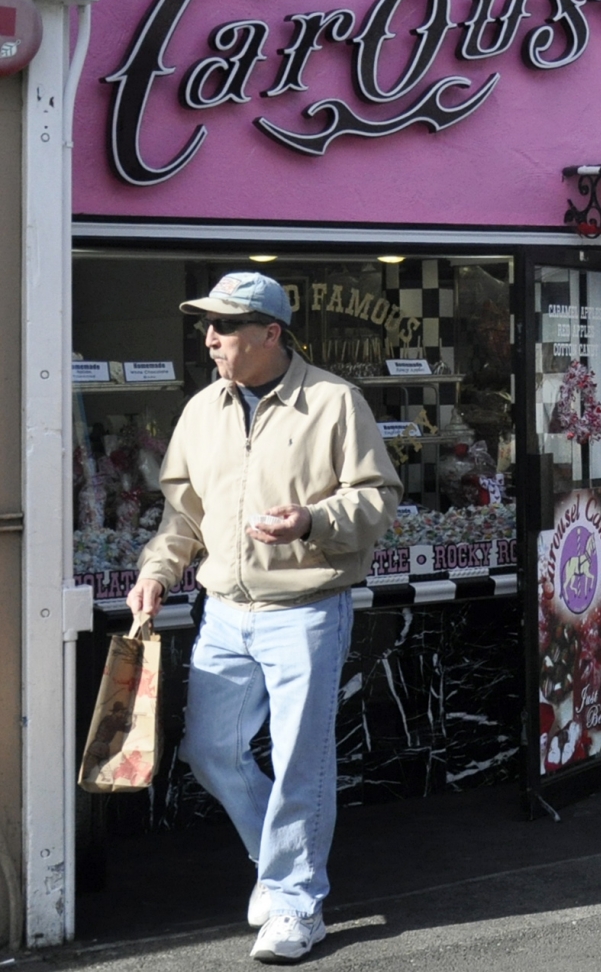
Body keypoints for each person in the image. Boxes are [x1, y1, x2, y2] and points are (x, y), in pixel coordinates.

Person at [129, 272, 402, 963]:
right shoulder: (201, 411)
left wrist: (312, 520)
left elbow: (378, 500)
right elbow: (183, 516)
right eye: (208, 326)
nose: (210, 338)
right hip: (222, 610)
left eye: (223, 326)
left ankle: (296, 905)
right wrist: (157, 572)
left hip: (307, 610)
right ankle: (276, 869)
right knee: (210, 751)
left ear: (270, 334)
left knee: (299, 763)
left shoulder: (336, 402)